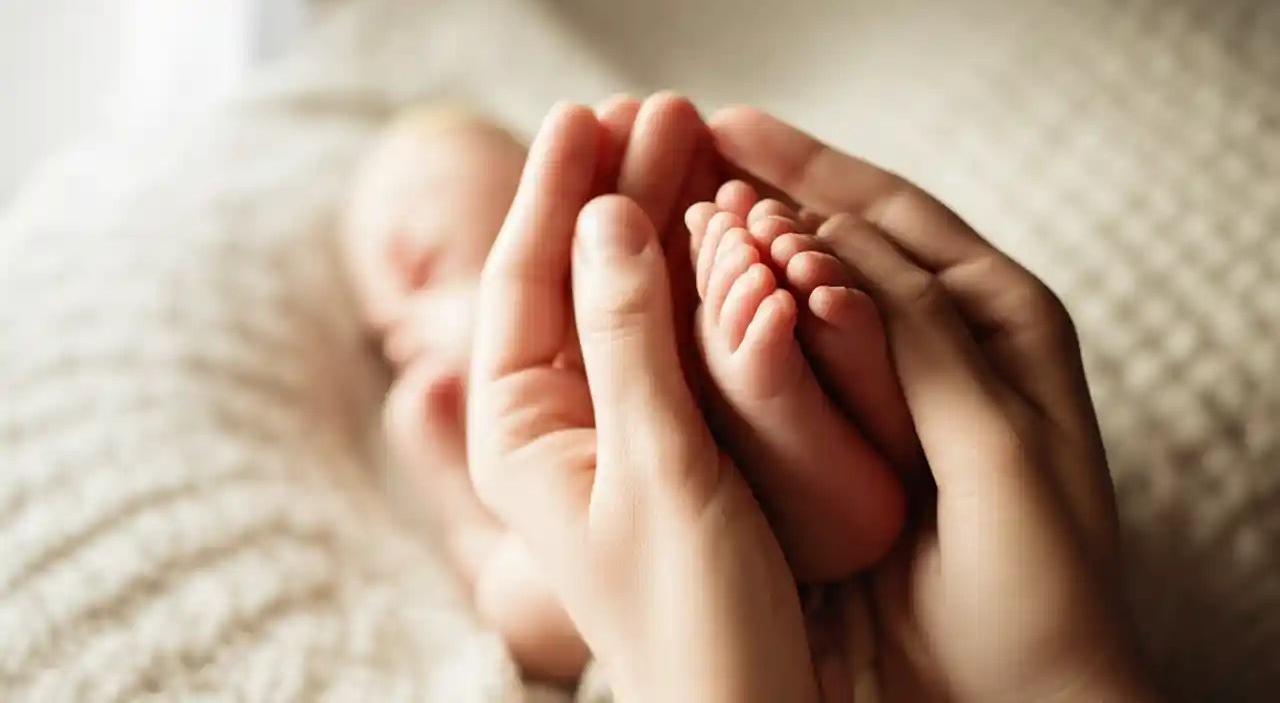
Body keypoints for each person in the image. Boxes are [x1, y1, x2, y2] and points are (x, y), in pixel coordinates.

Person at [463, 98, 1161, 701]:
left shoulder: (548, 385)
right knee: (519, 585)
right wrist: (1062, 682)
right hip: (767, 574)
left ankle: (783, 403)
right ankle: (792, 419)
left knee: (523, 580)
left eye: (429, 269)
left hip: (700, 552)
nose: (409, 332)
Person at [343, 95, 916, 681]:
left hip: (798, 554)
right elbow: (491, 580)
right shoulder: (463, 438)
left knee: (758, 448)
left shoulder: (643, 318)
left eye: (421, 273)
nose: (398, 336)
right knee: (509, 593)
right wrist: (448, 481)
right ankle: (780, 396)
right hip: (612, 601)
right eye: (382, 338)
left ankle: (775, 386)